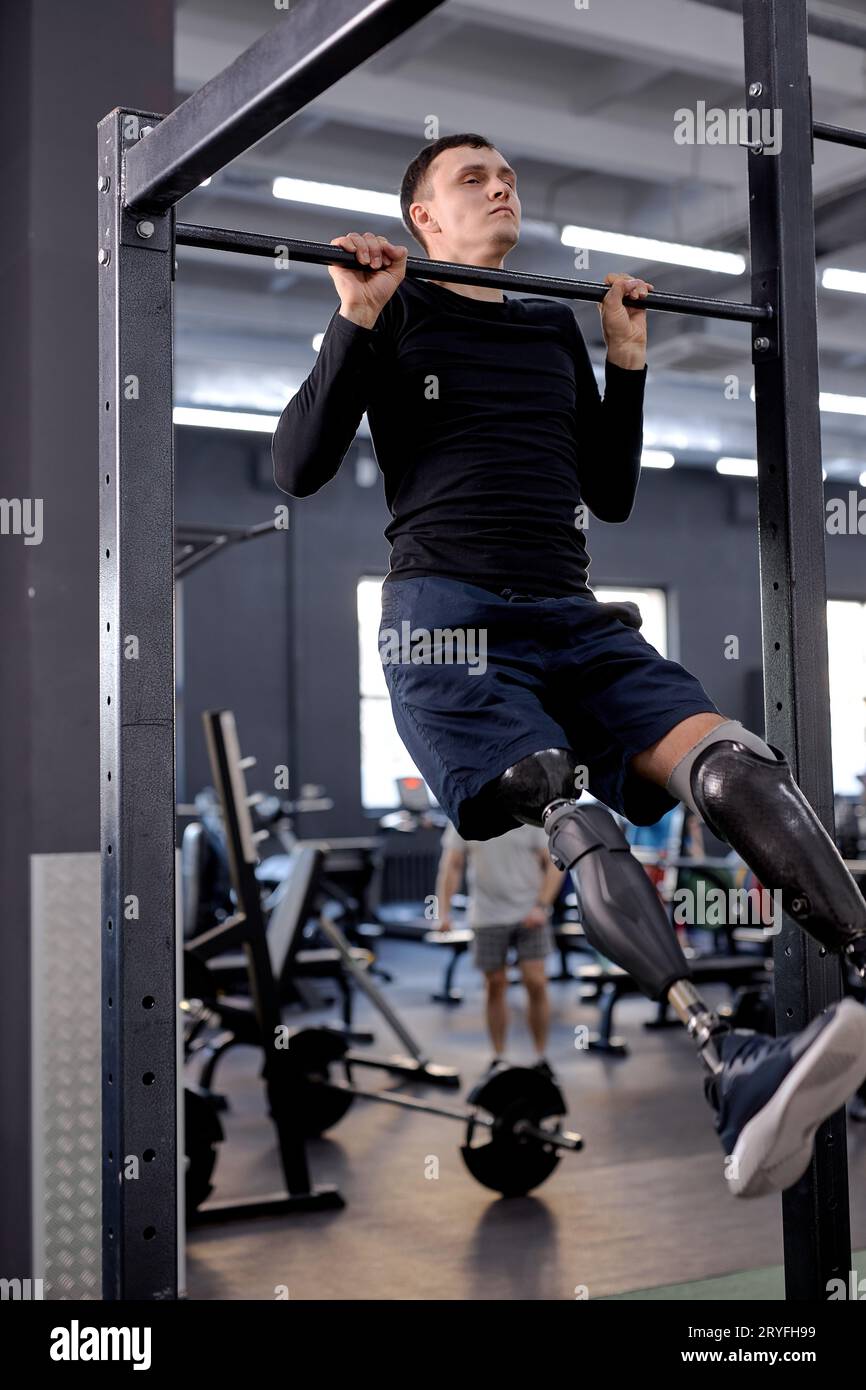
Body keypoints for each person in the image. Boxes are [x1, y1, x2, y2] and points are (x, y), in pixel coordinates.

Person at [272, 133, 866, 1199]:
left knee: (732, 767)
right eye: (471, 179)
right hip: (446, 615)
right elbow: (298, 465)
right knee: (565, 805)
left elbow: (611, 488)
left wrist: (624, 355)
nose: (500, 187)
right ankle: (724, 1061)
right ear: (422, 218)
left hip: (571, 608)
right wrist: (353, 316)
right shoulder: (395, 307)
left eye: (506, 176)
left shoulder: (549, 327)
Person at [435, 821, 565, 1077]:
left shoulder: (528, 814)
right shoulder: (465, 813)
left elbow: (554, 865)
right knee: (495, 984)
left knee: (536, 981)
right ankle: (499, 1057)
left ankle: (541, 1056)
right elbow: (452, 864)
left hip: (529, 912)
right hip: (487, 915)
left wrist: (542, 905)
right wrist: (443, 912)